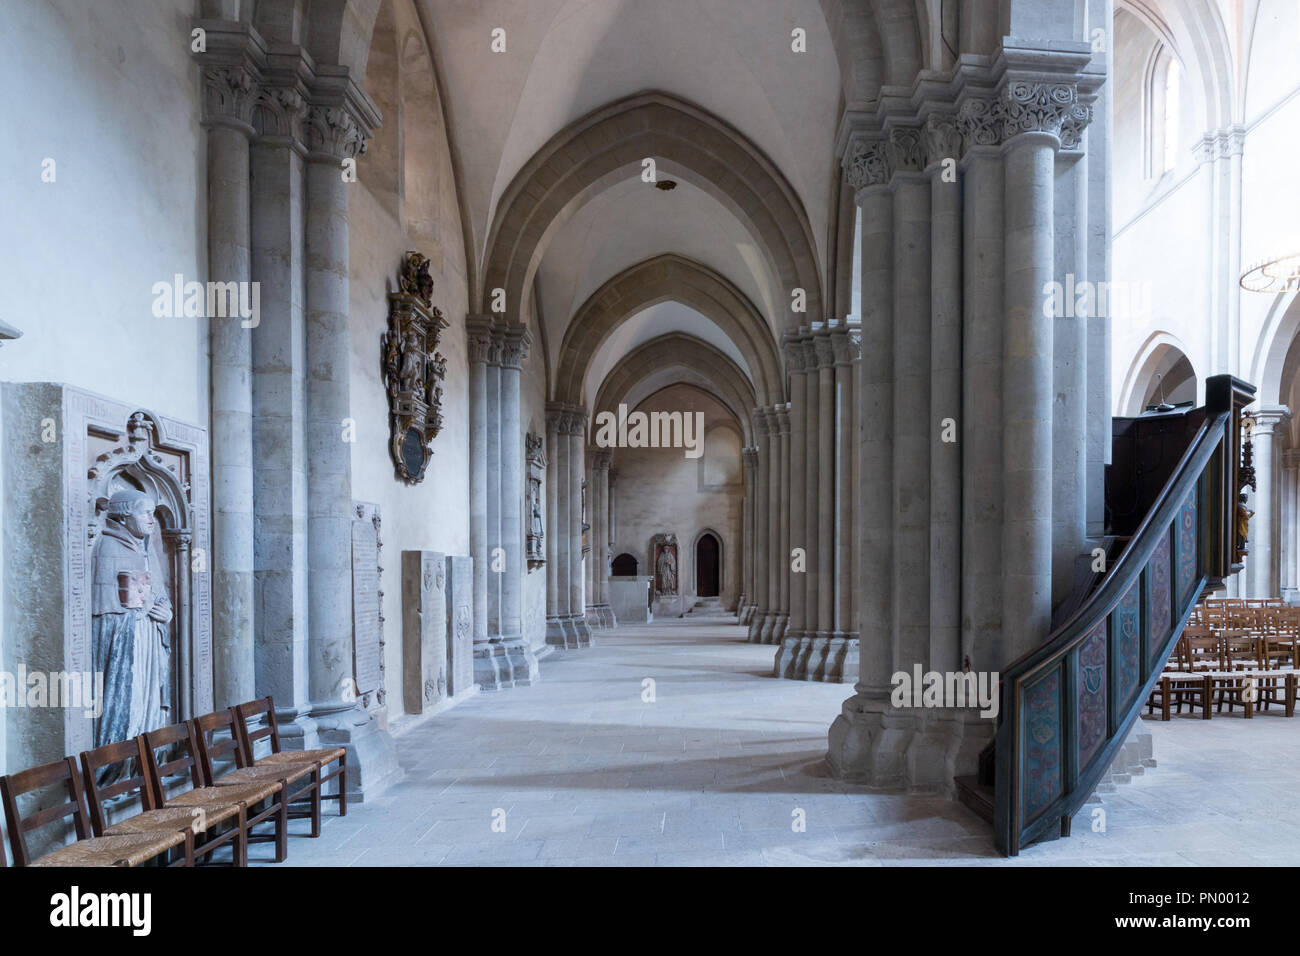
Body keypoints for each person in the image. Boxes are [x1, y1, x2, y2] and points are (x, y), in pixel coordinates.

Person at [91, 490, 173, 752]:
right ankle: (115, 768)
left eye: (153, 512)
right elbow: (103, 610)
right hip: (126, 645)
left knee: (147, 707)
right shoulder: (107, 546)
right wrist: (137, 613)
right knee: (127, 704)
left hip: (149, 641)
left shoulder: (145, 550)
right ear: (125, 517)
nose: (152, 519)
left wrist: (166, 613)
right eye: (145, 513)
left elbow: (160, 595)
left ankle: (145, 765)